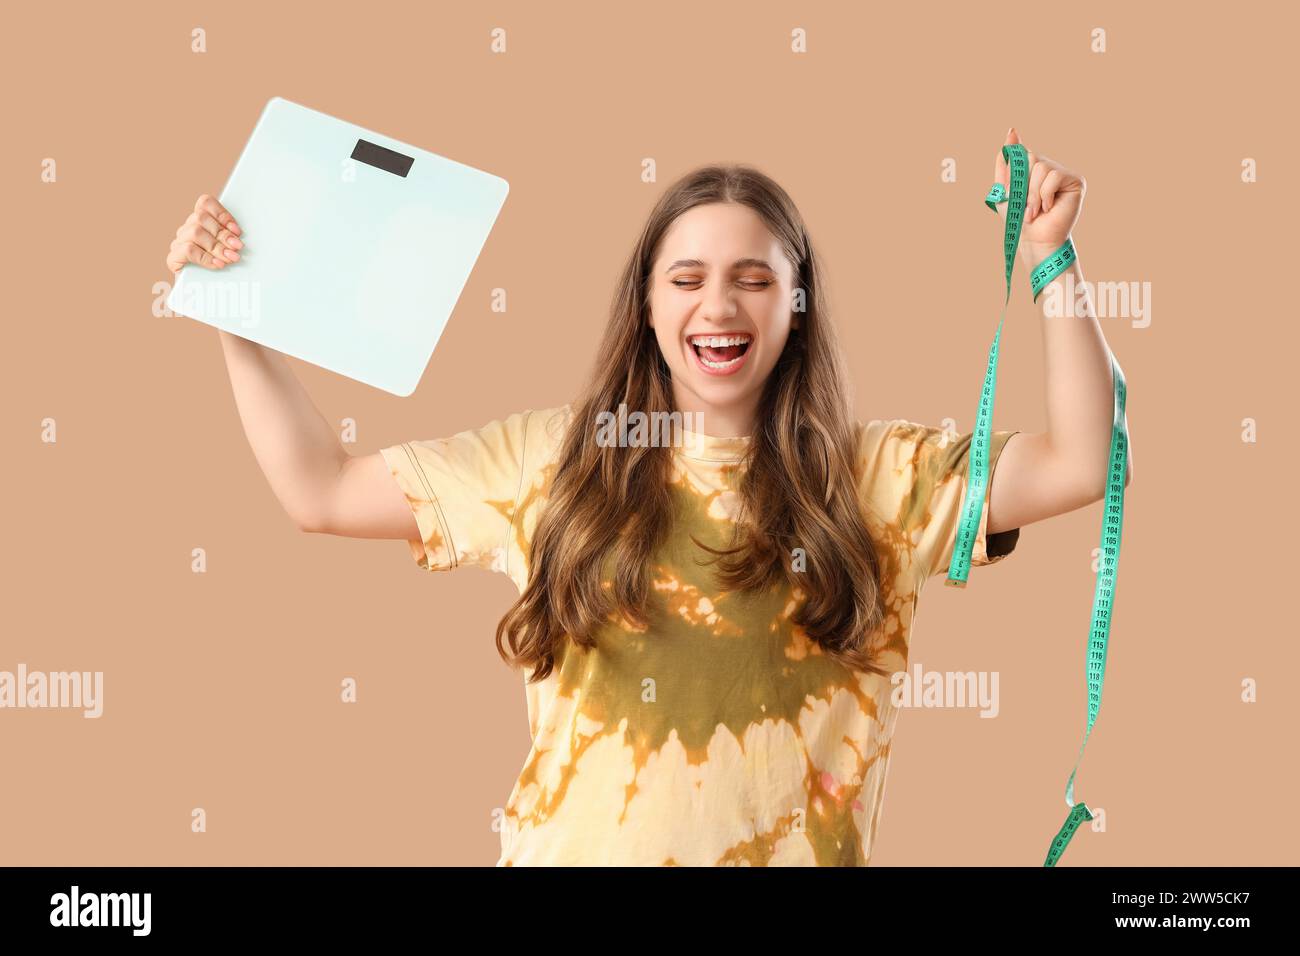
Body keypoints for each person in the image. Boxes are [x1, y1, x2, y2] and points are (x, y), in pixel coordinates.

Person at [164, 127, 1131, 866]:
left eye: (756, 280)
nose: (720, 306)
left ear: (796, 306)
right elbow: (320, 489)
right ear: (649, 304)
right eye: (689, 279)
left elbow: (1084, 460)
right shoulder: (550, 460)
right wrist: (233, 315)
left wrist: (1053, 259)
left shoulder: (874, 478)